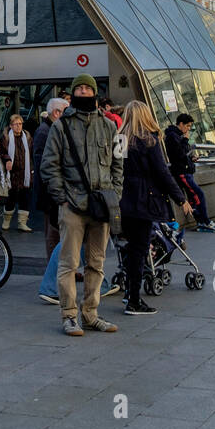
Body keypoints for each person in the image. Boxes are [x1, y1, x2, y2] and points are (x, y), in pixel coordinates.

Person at [40, 73, 123, 337]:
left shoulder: (111, 127)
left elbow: (120, 163)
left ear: (95, 93)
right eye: (80, 88)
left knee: (97, 263)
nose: (84, 92)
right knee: (69, 263)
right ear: (74, 93)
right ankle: (69, 315)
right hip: (72, 205)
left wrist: (115, 194)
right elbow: (49, 166)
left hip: (102, 205)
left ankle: (91, 314)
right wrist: (61, 197)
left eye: (89, 88)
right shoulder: (60, 126)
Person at [118, 101, 188, 316]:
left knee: (130, 247)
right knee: (140, 249)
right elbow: (161, 172)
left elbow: (115, 168)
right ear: (146, 115)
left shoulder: (120, 139)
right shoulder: (149, 139)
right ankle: (134, 300)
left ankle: (129, 291)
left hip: (123, 199)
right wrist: (180, 198)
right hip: (144, 201)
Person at [164, 114, 215, 232]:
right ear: (181, 124)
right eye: (188, 126)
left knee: (192, 197)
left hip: (186, 169)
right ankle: (205, 221)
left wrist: (191, 158)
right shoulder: (172, 136)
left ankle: (201, 221)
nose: (188, 129)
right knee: (198, 194)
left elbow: (184, 153)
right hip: (182, 171)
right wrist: (185, 140)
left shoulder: (177, 136)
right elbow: (180, 154)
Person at [33, 97, 67, 262]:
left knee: (58, 231)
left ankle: (61, 266)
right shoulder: (45, 131)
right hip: (50, 191)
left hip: (53, 189)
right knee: (53, 232)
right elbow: (43, 165)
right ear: (56, 112)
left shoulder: (51, 129)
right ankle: (54, 267)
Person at [0, 113, 34, 232]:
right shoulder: (6, 138)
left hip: (25, 173)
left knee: (25, 197)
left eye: (20, 124)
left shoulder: (28, 137)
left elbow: (32, 154)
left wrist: (32, 169)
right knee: (10, 198)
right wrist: (7, 160)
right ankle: (6, 221)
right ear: (10, 125)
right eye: (15, 124)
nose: (18, 126)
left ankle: (22, 223)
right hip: (11, 173)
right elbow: (1, 151)